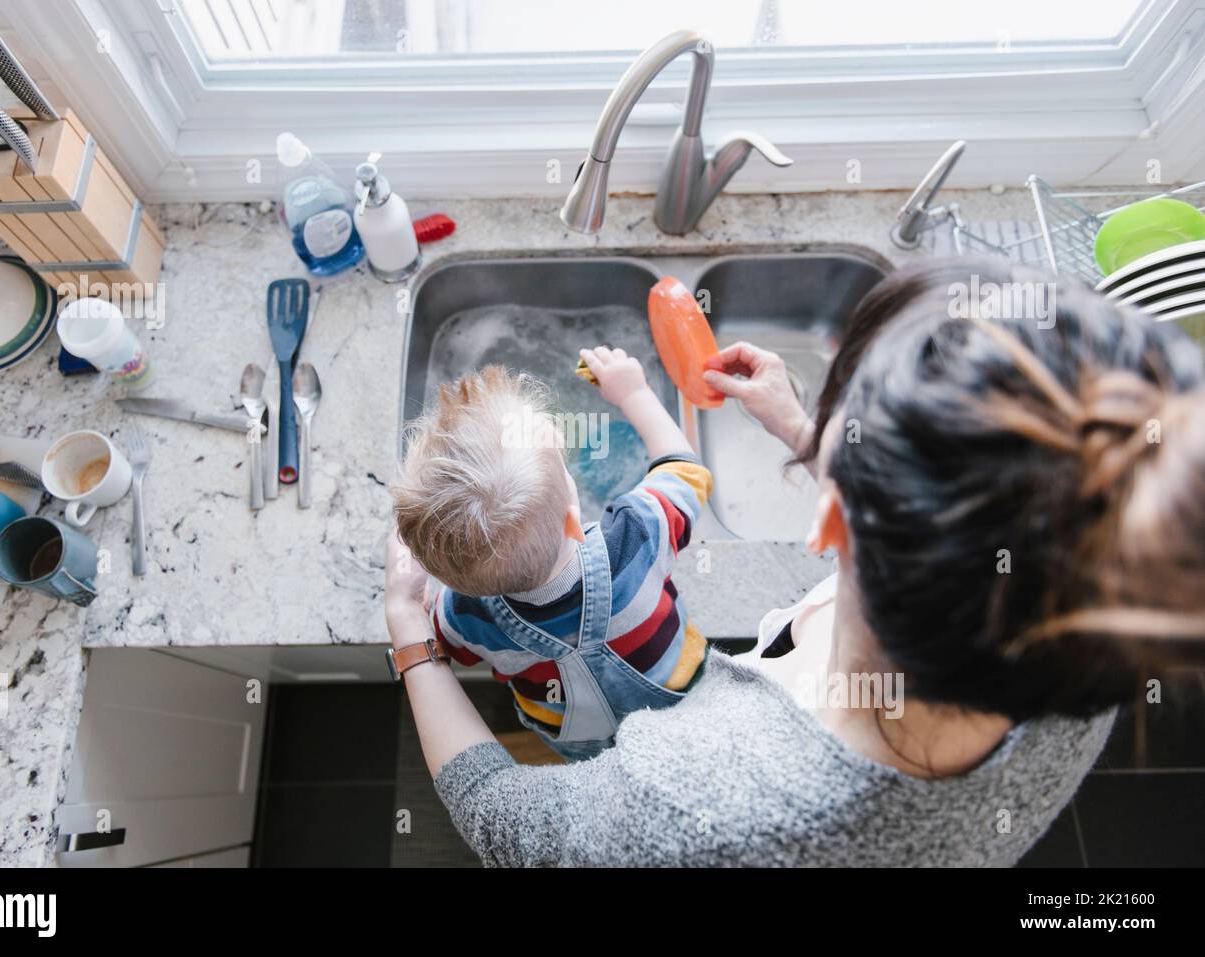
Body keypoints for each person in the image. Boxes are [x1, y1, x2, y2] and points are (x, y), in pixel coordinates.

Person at [385, 259, 1205, 865]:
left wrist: (412, 642)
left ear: (833, 518)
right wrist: (807, 433)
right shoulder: (1104, 603)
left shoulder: (690, 805)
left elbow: (504, 819)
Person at [390, 349, 712, 759]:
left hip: (578, 742)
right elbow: (685, 470)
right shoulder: (638, 536)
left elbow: (437, 635)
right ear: (575, 521)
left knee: (595, 766)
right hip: (681, 705)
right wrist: (635, 393)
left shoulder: (462, 614)